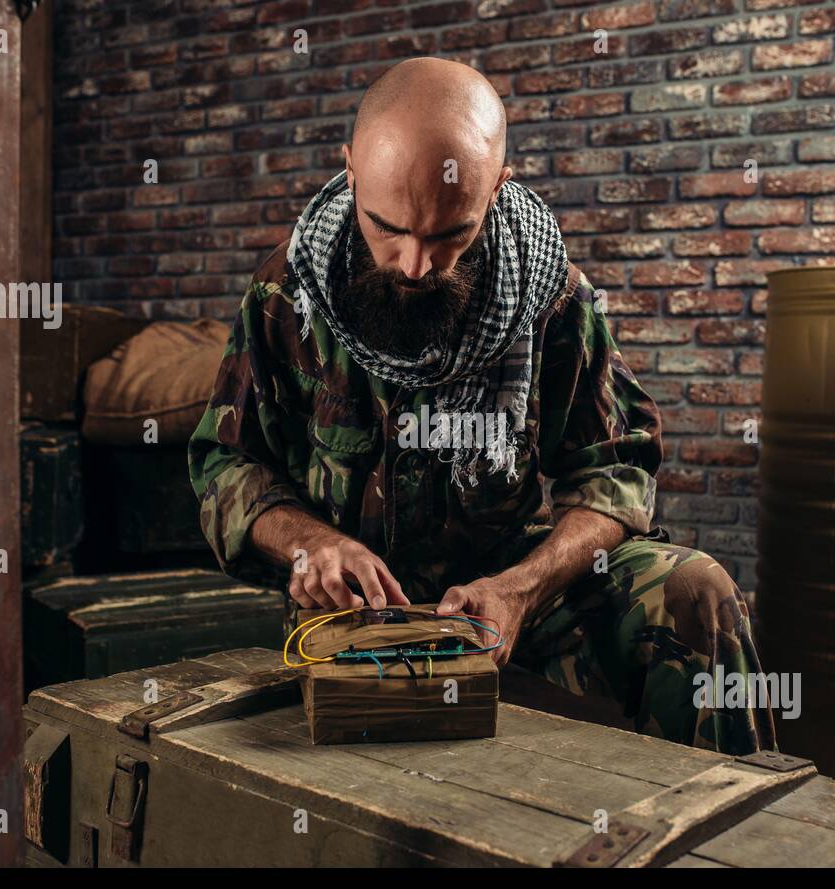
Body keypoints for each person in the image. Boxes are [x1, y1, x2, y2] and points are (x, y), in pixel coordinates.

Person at [189, 57, 775, 754]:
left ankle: (722, 838)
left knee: (700, 593)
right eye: (388, 229)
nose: (414, 265)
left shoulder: (548, 292)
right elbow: (225, 463)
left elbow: (615, 471)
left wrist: (521, 588)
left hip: (513, 594)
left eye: (447, 236)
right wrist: (312, 545)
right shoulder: (286, 294)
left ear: (497, 188)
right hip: (352, 608)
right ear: (349, 170)